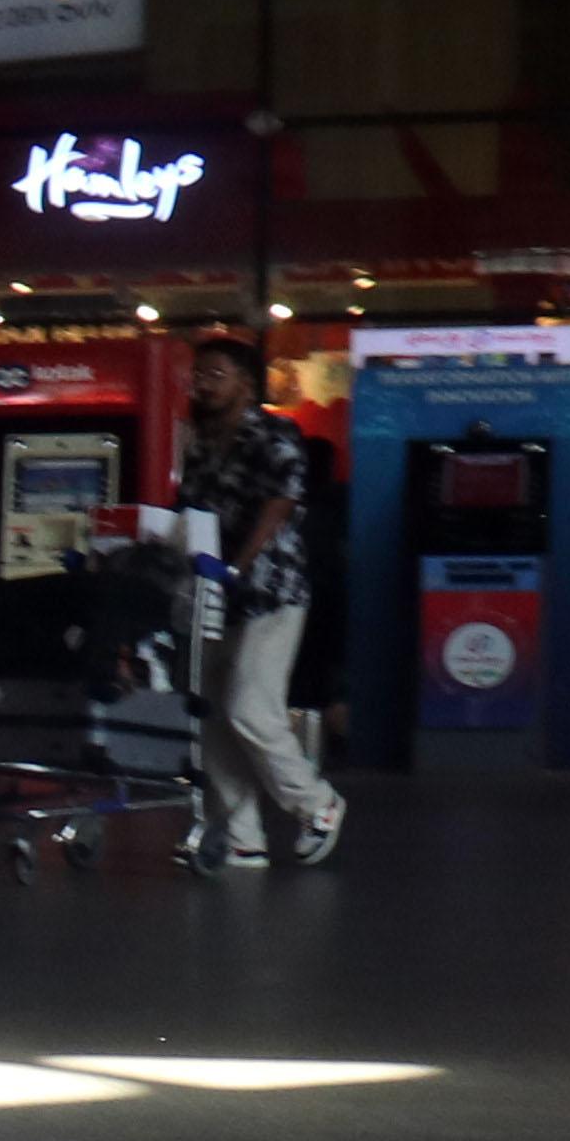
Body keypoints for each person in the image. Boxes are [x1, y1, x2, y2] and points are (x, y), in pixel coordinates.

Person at [181, 338, 344, 870]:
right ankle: (241, 835)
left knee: (251, 708)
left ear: (246, 384)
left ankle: (316, 805)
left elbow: (281, 500)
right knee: (211, 716)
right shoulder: (202, 442)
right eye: (199, 374)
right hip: (212, 593)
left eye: (216, 374)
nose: (203, 383)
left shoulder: (275, 433)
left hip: (272, 591)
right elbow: (191, 510)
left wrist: (240, 563)